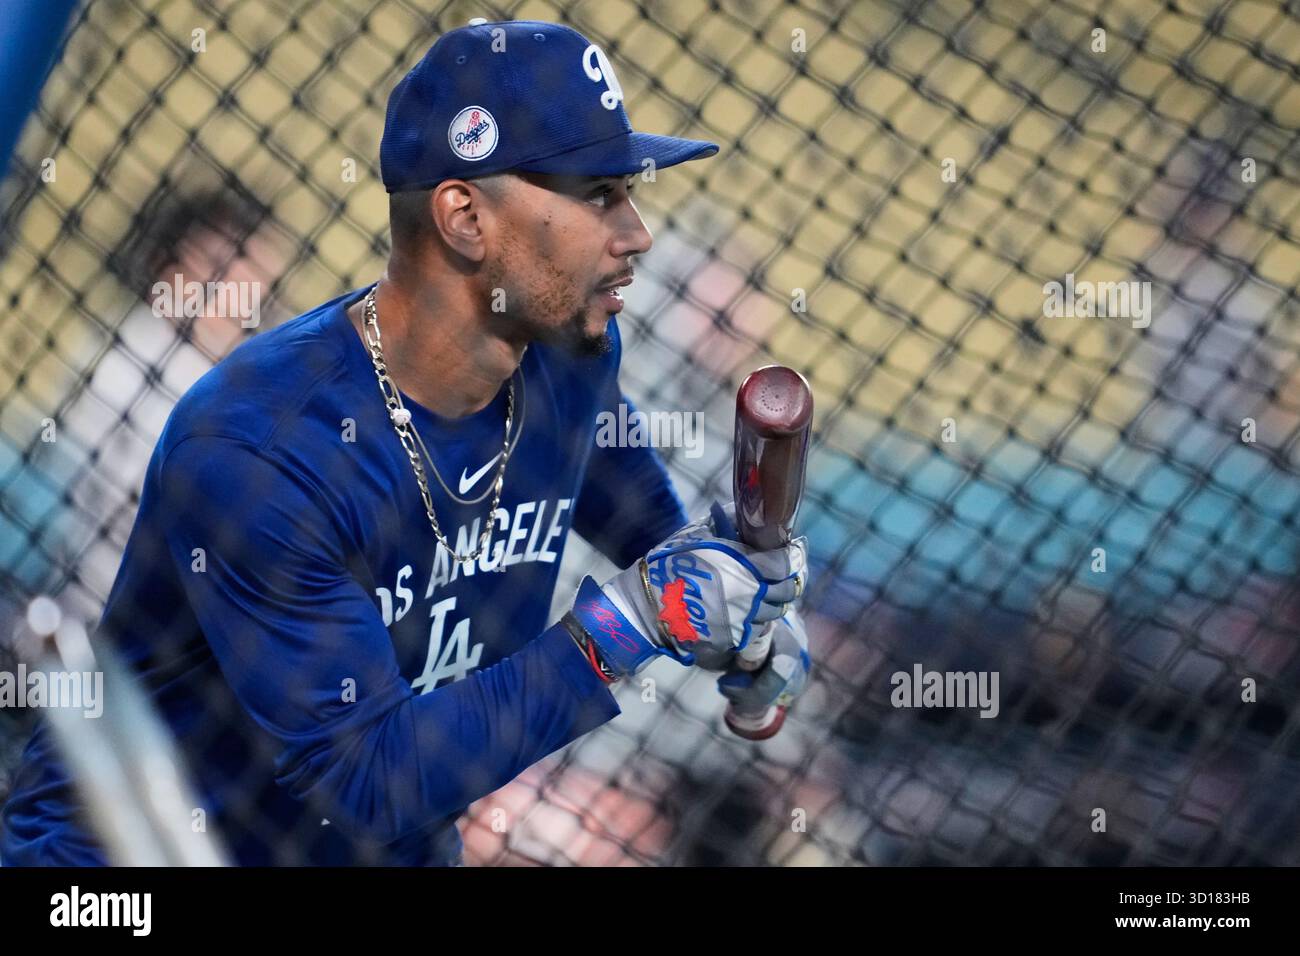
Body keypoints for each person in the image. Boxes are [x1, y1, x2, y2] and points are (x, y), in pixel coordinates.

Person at [1, 19, 810, 866]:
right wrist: (634, 622)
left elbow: (652, 536)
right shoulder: (261, 450)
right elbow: (367, 781)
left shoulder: (566, 359)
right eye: (598, 194)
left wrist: (746, 597)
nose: (637, 232)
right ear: (465, 217)